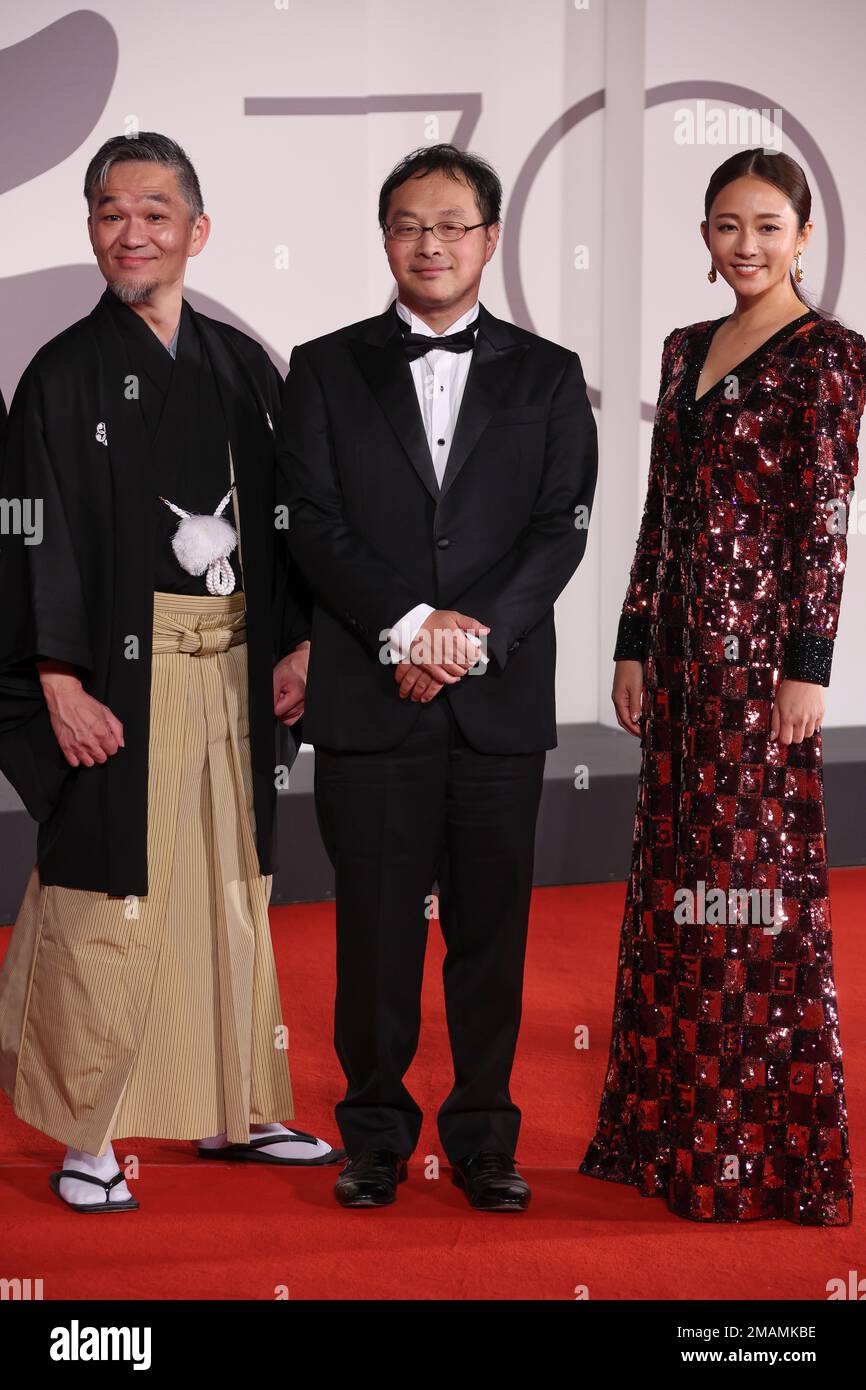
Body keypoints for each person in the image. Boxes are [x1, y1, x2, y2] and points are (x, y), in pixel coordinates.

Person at [0, 132, 342, 1213]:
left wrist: (299, 640)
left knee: (229, 889)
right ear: (92, 230)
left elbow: (290, 522)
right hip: (115, 672)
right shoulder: (60, 373)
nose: (130, 231)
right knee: (110, 899)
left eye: (154, 211)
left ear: (198, 231)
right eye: (109, 211)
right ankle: (85, 1131)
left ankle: (230, 1106)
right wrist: (55, 675)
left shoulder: (243, 366)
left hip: (234, 664)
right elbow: (25, 531)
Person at [278, 143, 598, 1210]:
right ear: (385, 239)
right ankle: (372, 1132)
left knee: (490, 934)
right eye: (410, 224)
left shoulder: (548, 373)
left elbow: (558, 529)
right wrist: (411, 627)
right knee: (371, 935)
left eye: (451, 224)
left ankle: (483, 1134)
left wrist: (466, 639)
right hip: (371, 698)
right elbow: (312, 526)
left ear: (490, 238)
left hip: (495, 702)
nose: (430, 242)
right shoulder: (321, 368)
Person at [580, 148, 864, 1224]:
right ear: (704, 240)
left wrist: (807, 668)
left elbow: (820, 527)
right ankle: (663, 1127)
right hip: (680, 674)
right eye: (724, 226)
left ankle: (745, 1150)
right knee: (673, 889)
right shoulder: (682, 347)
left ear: (803, 236)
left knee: (748, 898)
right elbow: (661, 510)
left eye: (765, 225)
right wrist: (628, 642)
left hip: (758, 679)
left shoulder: (830, 359)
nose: (744, 246)